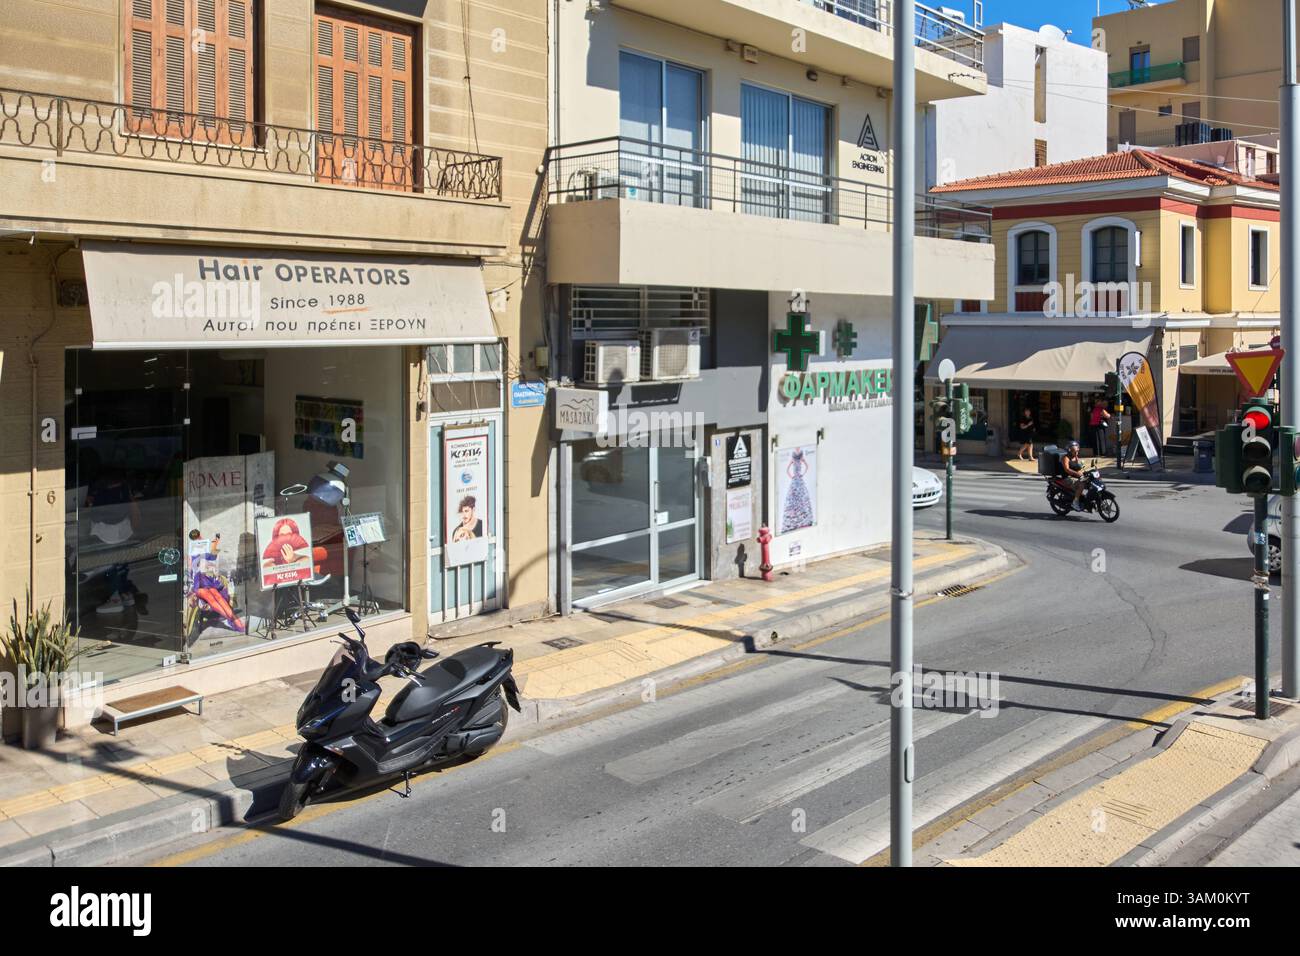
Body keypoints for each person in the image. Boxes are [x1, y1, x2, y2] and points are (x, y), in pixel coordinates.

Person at [1061, 439, 1087, 511]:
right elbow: (1067, 469)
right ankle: (1075, 503)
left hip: (1075, 477)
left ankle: (1083, 499)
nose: (1077, 452)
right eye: (1075, 451)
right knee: (1081, 484)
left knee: (1088, 481)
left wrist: (1084, 472)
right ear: (1070, 451)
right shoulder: (1065, 458)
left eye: (1077, 451)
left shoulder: (1075, 457)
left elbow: (1078, 467)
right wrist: (1077, 474)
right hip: (1067, 478)